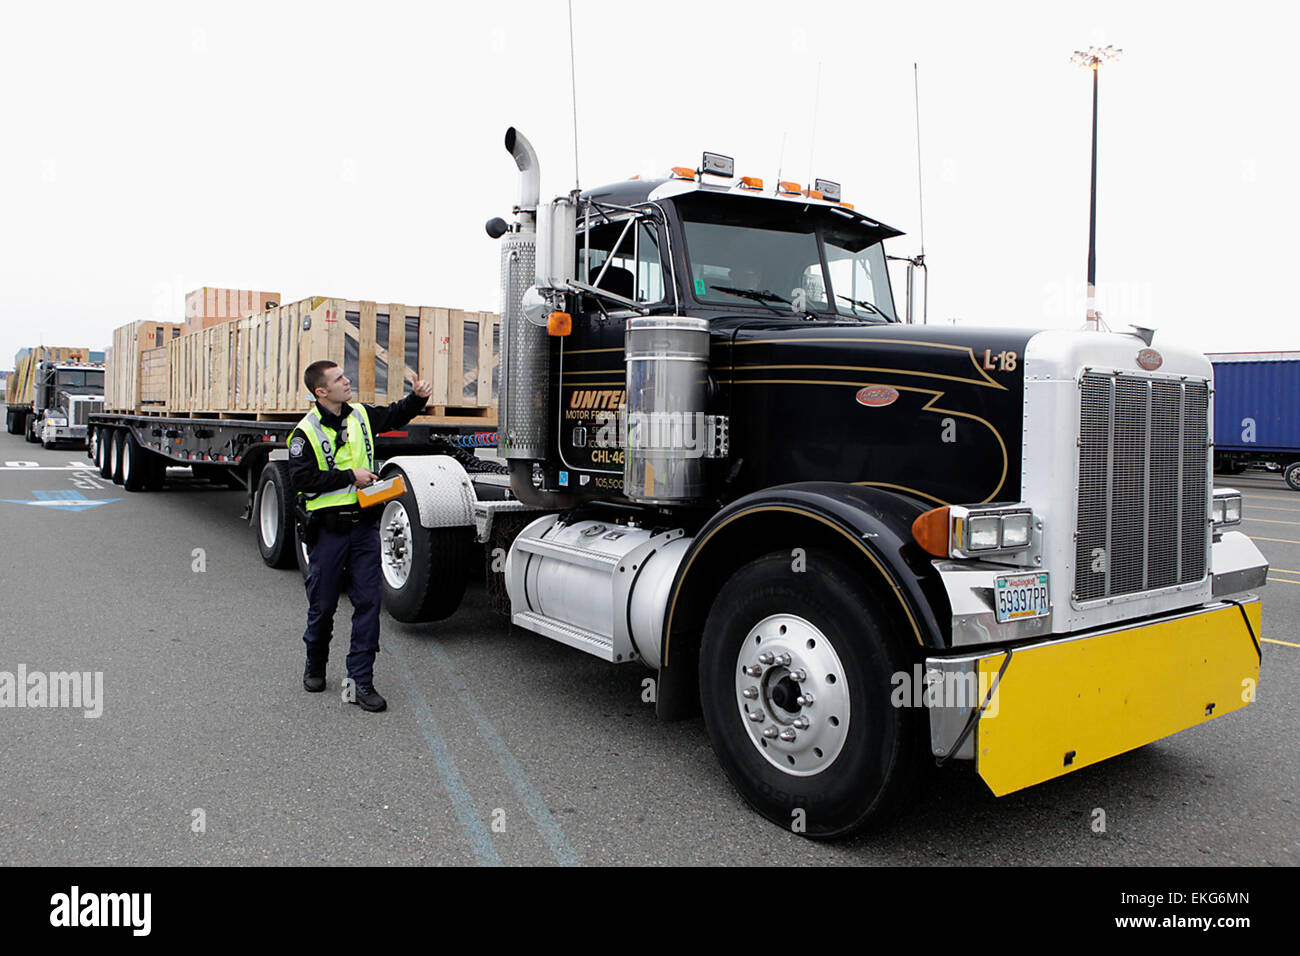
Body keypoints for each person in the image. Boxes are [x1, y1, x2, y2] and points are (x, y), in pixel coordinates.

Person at [289, 359, 433, 712]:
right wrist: (349, 476)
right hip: (328, 532)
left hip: (365, 527)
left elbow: (394, 415)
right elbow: (301, 480)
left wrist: (416, 399)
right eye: (339, 379)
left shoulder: (360, 415)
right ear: (321, 391)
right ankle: (315, 664)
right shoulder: (304, 433)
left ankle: (361, 681)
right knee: (323, 606)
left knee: (368, 604)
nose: (347, 380)